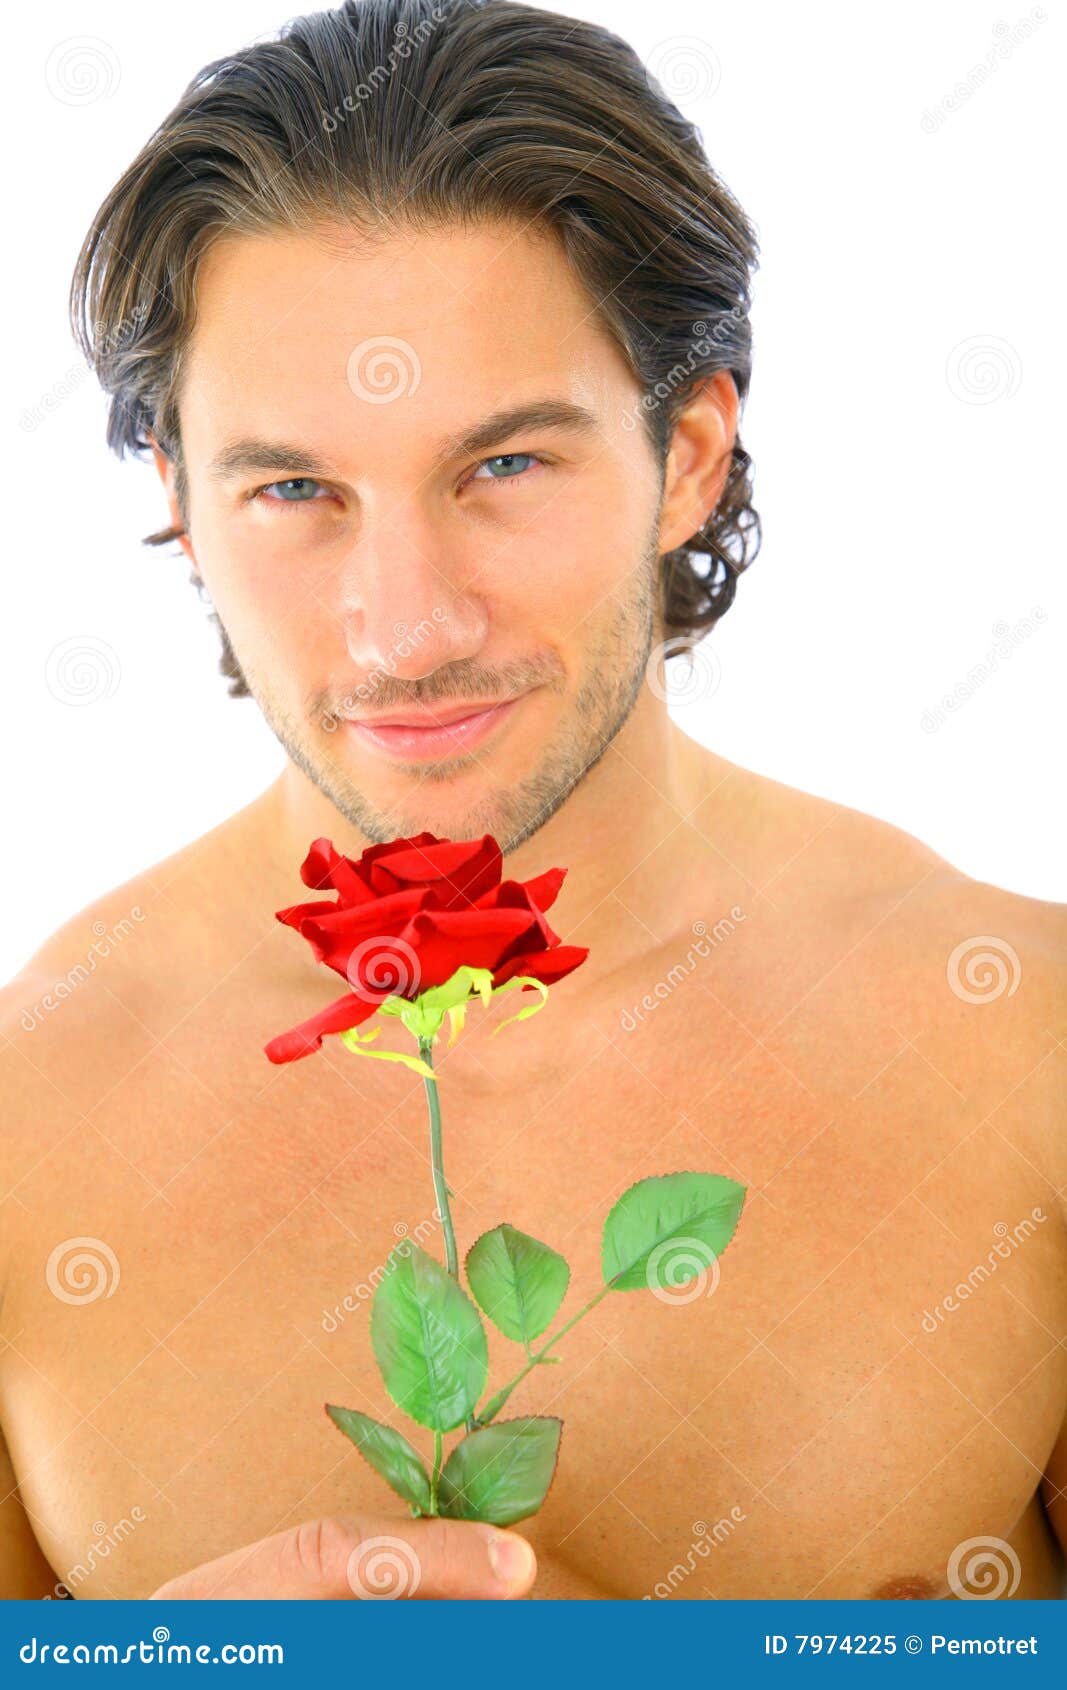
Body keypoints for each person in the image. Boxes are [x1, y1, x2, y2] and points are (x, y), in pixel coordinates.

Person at [2, 0, 1063, 1601]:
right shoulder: (30, 1133)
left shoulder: (1022, 1045)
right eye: (294, 488)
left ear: (690, 456)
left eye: (504, 466)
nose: (409, 625)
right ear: (182, 507)